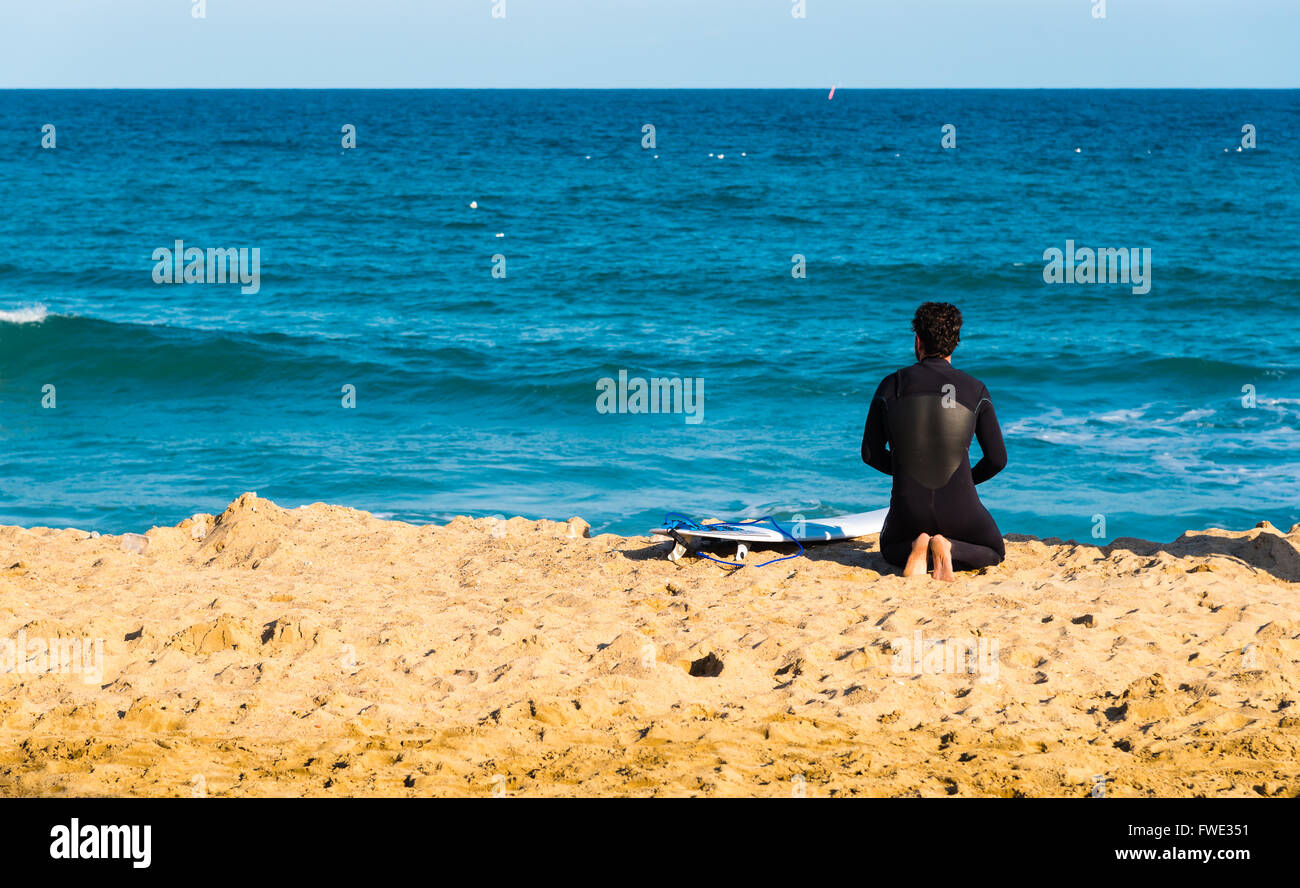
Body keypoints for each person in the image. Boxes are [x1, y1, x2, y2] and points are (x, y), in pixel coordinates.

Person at [861, 302, 1007, 581]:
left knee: (890, 548)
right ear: (955, 343)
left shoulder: (891, 385)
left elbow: (870, 453)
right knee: (993, 550)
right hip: (962, 511)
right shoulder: (975, 389)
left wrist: (905, 471)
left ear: (918, 340)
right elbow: (997, 459)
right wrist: (964, 479)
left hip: (908, 513)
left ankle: (919, 547)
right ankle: (949, 547)